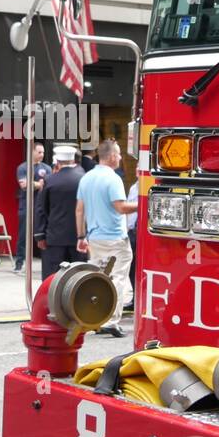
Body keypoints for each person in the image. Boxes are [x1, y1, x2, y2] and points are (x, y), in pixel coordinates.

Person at [76, 139, 138, 338]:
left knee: (97, 279)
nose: (120, 157)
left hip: (94, 238)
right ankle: (111, 321)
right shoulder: (113, 179)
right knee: (117, 278)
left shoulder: (86, 178)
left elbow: (79, 210)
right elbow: (121, 208)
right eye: (118, 154)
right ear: (111, 156)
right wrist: (143, 203)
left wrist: (81, 236)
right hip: (115, 238)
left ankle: (96, 318)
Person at [36, 145, 87, 280]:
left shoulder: (49, 180)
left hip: (55, 237)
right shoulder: (84, 179)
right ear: (73, 160)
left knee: (53, 277)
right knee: (77, 277)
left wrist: (40, 235)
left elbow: (41, 208)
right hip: (79, 236)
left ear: (57, 161)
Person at [14, 143, 49, 274]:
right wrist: (39, 184)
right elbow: (24, 185)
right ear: (32, 152)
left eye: (43, 152)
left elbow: (48, 184)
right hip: (26, 206)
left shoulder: (46, 168)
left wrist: (34, 184)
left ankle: (46, 263)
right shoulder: (23, 167)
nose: (42, 155)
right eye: (39, 152)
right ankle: (19, 263)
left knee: (44, 234)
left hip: (42, 207)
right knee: (23, 235)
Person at [126, 178, 139, 300]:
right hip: (131, 231)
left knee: (138, 265)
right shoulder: (133, 188)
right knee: (131, 265)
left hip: (140, 231)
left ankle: (137, 297)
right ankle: (135, 296)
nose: (137, 169)